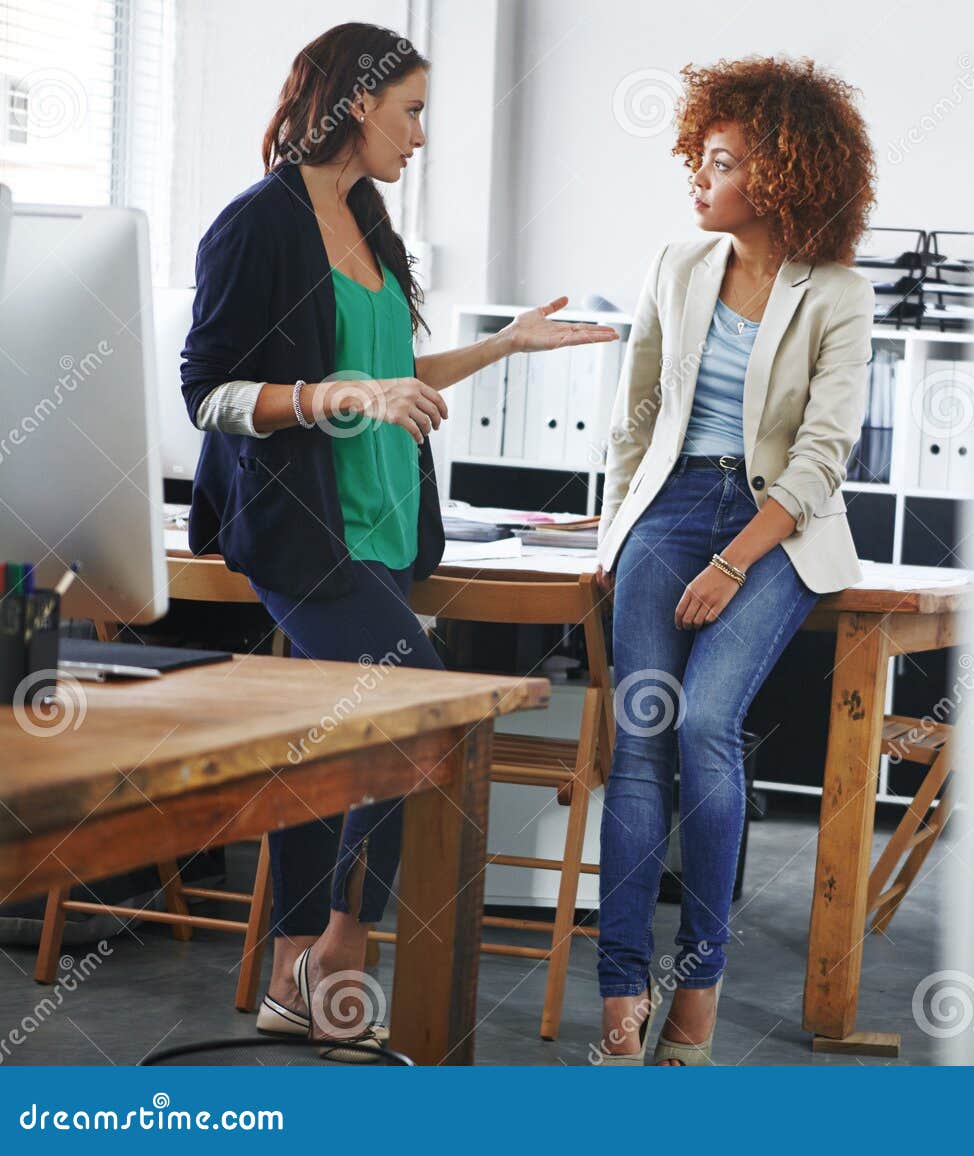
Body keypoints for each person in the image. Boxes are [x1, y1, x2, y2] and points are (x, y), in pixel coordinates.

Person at [178, 22, 616, 1061]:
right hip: (298, 527)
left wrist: (505, 346)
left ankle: (291, 972)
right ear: (356, 103)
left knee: (326, 740)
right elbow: (210, 395)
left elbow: (392, 374)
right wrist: (340, 397)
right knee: (418, 703)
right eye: (411, 111)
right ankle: (344, 947)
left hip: (378, 522)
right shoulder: (258, 224)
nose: (420, 135)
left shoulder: (369, 222)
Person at [592, 55, 877, 1064]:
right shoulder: (677, 264)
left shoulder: (838, 294)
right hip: (666, 510)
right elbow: (633, 415)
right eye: (700, 158)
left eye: (720, 162)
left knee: (706, 723)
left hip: (776, 528)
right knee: (640, 736)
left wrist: (730, 564)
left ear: (783, 175)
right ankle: (620, 995)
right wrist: (614, 534)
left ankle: (698, 988)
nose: (699, 177)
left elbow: (822, 456)